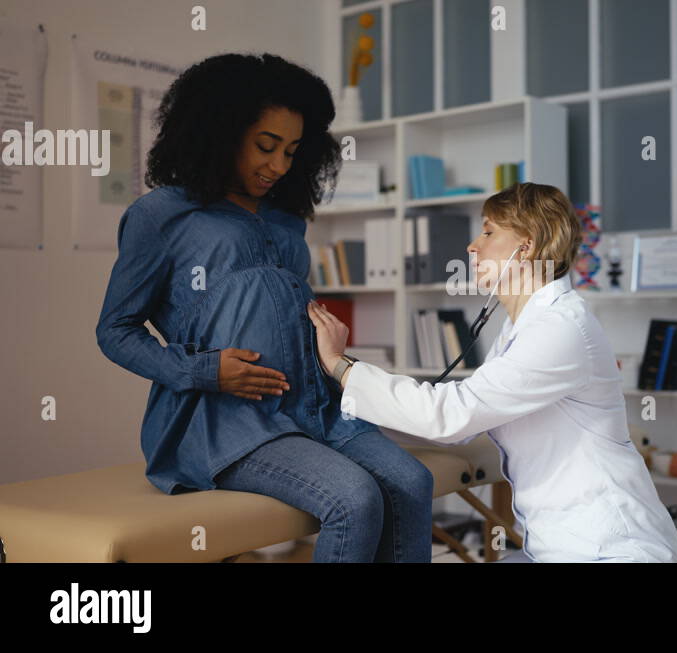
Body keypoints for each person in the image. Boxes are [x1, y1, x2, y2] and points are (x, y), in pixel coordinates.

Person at [95, 53, 433, 563]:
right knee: (354, 500)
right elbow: (115, 330)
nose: (278, 166)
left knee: (412, 481)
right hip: (223, 423)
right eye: (265, 146)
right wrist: (206, 371)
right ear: (219, 133)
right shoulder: (159, 216)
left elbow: (274, 302)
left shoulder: (284, 217)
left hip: (315, 405)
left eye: (293, 151)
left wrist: (324, 345)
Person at [308, 182, 677, 563]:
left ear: (527, 247)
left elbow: (452, 416)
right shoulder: (521, 326)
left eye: (488, 232)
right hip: (558, 545)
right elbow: (464, 417)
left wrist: (340, 366)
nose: (473, 246)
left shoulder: (560, 329)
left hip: (610, 549)